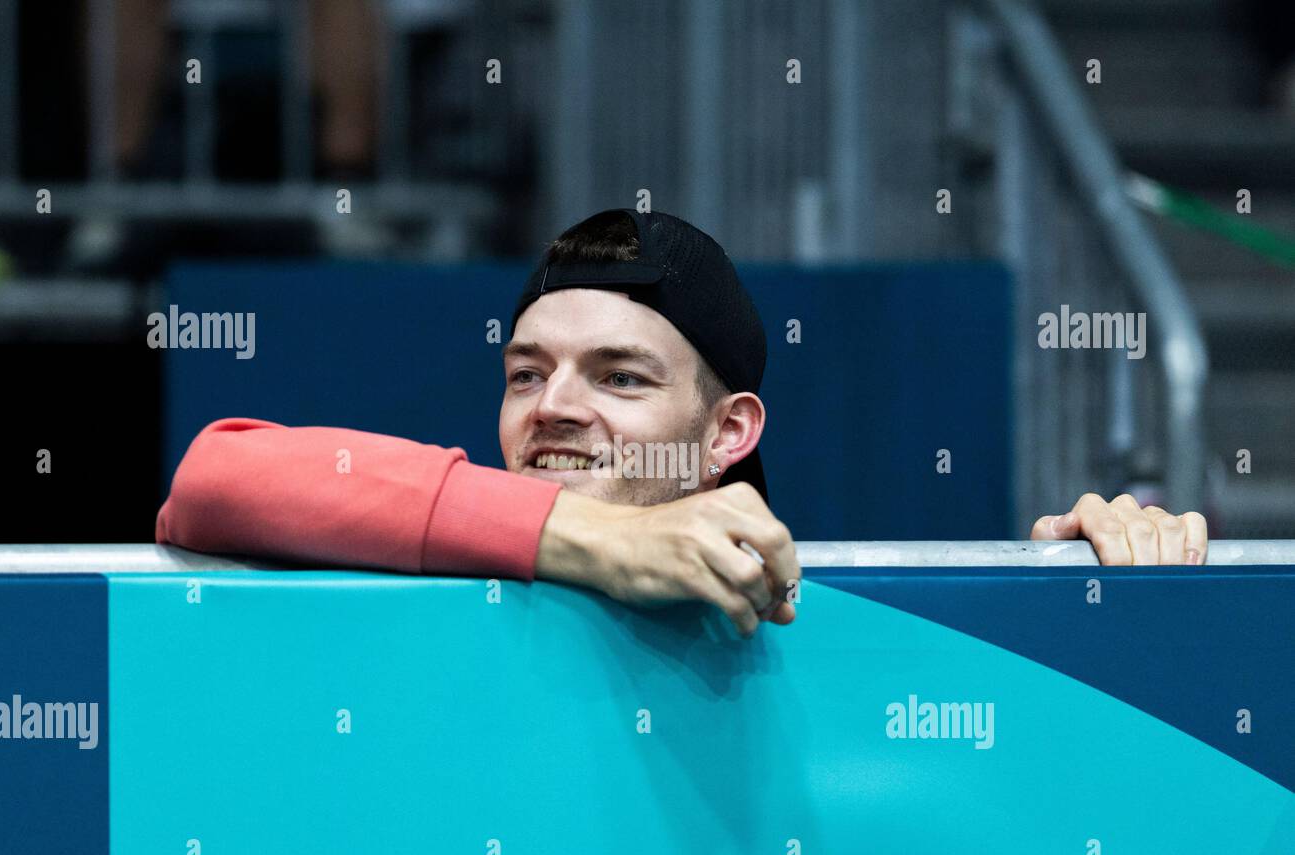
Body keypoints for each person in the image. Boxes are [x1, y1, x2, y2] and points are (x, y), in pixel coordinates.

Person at [156, 208, 1209, 637]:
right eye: (526, 374)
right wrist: (596, 543)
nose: (553, 406)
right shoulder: (432, 578)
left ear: (727, 433)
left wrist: (1113, 601)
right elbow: (214, 478)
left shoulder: (832, 626)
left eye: (618, 378)